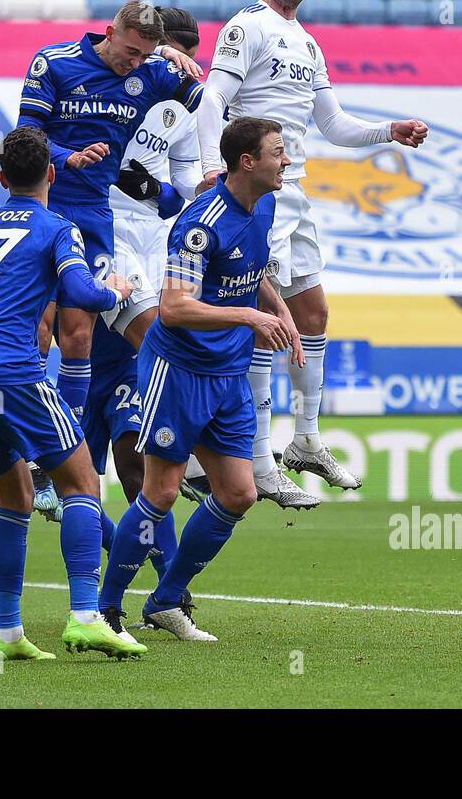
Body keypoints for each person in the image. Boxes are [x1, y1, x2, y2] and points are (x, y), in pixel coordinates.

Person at [196, 0, 428, 509]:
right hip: (257, 193)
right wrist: (207, 167)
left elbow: (332, 124)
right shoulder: (246, 28)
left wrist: (388, 132)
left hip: (295, 193)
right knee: (263, 325)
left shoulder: (308, 42)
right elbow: (212, 101)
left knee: (314, 312)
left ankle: (304, 439)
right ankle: (258, 459)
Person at [0, 126, 146, 661]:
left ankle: (8, 632)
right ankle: (86, 617)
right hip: (14, 373)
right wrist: (119, 291)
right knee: (83, 483)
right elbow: (82, 294)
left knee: (15, 499)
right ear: (52, 174)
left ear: (1, 179)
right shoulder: (58, 227)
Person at [98, 117, 303, 642]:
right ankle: (105, 610)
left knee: (238, 494)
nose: (287, 161)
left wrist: (283, 317)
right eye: (278, 152)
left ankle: (166, 601)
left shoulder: (267, 205)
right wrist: (250, 319)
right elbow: (174, 308)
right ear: (247, 162)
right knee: (161, 492)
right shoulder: (199, 225)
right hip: (179, 371)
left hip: (228, 374)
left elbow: (254, 275)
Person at [15, 1, 202, 518]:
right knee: (43, 329)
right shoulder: (52, 63)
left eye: (144, 55)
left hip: (97, 217)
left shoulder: (151, 71)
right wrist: (64, 159)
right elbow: (24, 135)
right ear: (110, 32)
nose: (133, 64)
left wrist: (177, 62)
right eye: (128, 52)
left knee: (80, 332)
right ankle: (37, 447)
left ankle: (62, 453)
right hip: (45, 205)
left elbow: (208, 105)